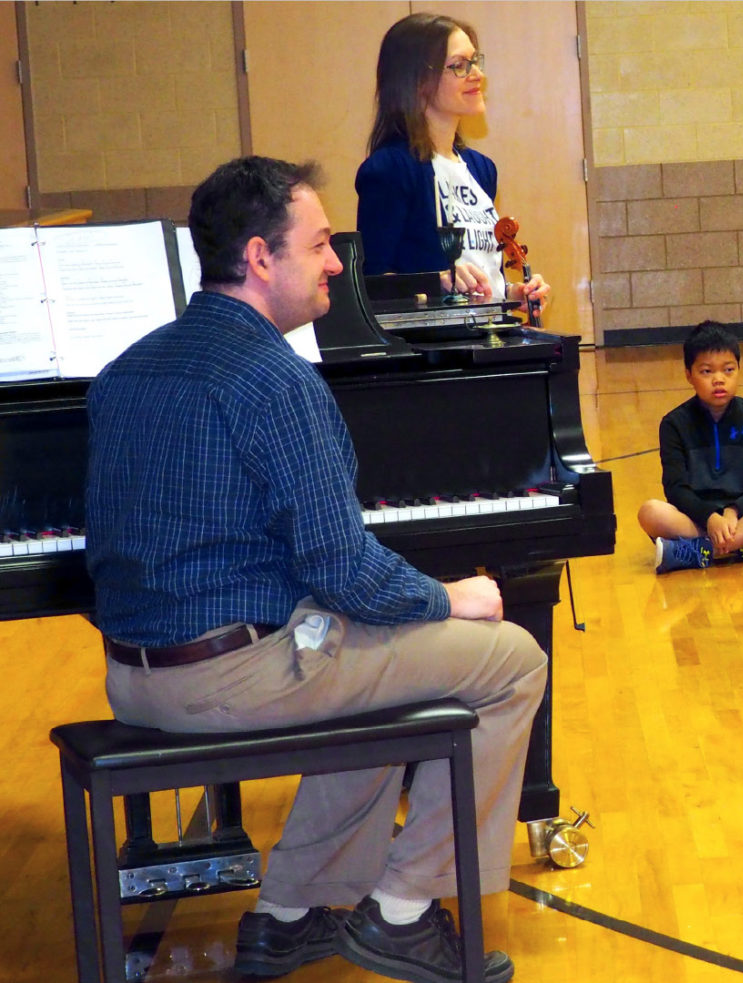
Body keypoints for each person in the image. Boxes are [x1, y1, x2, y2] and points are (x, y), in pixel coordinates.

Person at [86, 156, 535, 983]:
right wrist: (451, 595)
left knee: (364, 655)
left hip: (131, 678)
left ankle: (287, 915)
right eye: (322, 243)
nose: (337, 262)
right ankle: (404, 911)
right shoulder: (275, 380)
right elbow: (346, 570)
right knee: (510, 658)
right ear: (261, 258)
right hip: (233, 677)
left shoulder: (126, 370)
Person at [356, 12, 549, 310]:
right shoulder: (390, 169)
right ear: (417, 81)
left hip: (487, 337)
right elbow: (371, 285)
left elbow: (479, 271)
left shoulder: (482, 168)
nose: (477, 75)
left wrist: (512, 293)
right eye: (459, 66)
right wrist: (436, 281)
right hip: (436, 350)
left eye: (474, 62)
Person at [637, 323, 743, 572]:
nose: (719, 379)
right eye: (706, 371)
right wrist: (710, 517)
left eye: (728, 370)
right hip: (696, 518)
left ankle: (698, 551)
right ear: (688, 374)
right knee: (650, 512)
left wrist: (733, 511)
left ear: (738, 370)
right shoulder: (674, 424)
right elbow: (676, 488)